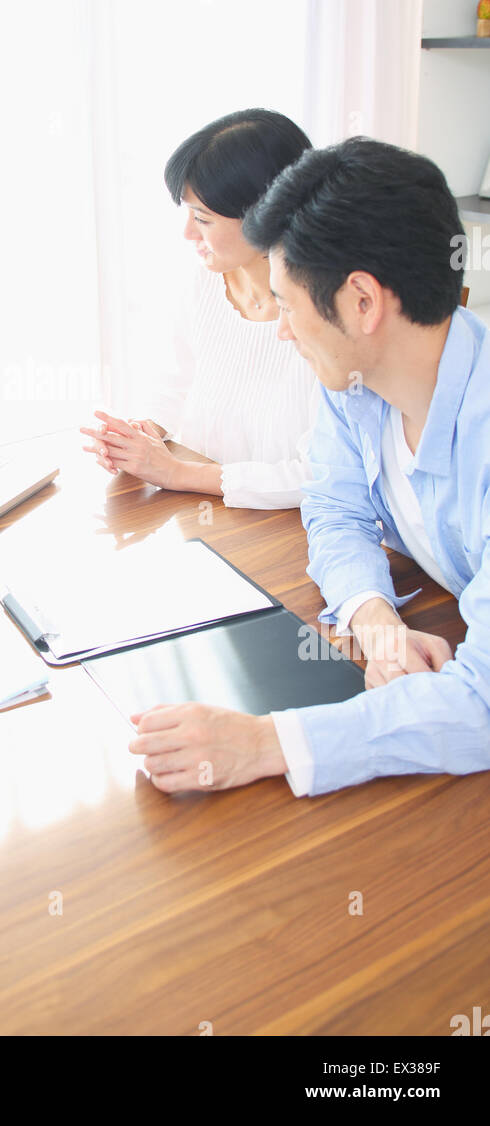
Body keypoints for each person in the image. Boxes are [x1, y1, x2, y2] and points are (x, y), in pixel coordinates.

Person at [129, 137, 490, 796]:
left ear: (362, 302)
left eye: (289, 304)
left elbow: (484, 707)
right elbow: (334, 509)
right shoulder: (355, 380)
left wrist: (267, 742)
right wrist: (376, 622)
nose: (283, 331)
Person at [81, 108, 319, 509]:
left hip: (283, 532)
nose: (188, 233)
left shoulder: (329, 318)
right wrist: (143, 436)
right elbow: (175, 385)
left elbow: (318, 475)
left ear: (267, 215)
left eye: (202, 218)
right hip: (198, 510)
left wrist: (176, 473)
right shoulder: (206, 282)